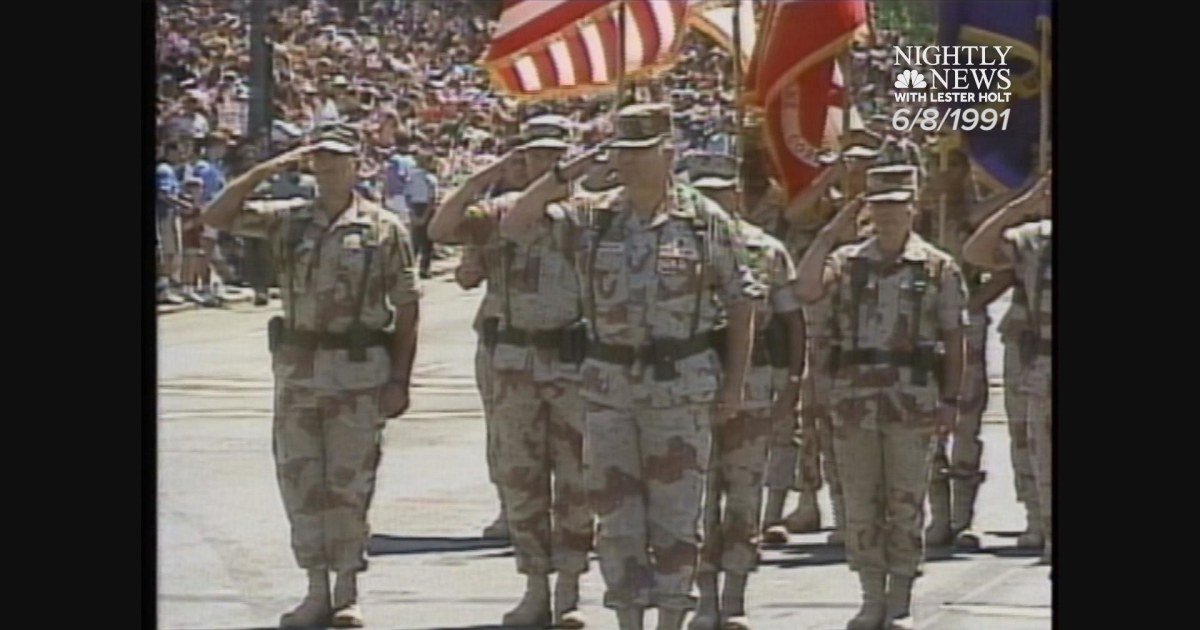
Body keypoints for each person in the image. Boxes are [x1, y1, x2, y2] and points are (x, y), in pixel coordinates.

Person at [502, 103, 761, 630]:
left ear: (669, 153)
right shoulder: (592, 217)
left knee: (676, 516)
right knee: (616, 515)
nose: (633, 164)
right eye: (624, 153)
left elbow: (740, 301)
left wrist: (734, 384)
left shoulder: (704, 220)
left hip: (680, 387)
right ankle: (627, 621)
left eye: (644, 153)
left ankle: (670, 618)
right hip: (608, 390)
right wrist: (563, 174)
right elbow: (515, 224)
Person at [201, 123, 421, 628]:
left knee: (350, 482)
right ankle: (315, 589)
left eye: (337, 160)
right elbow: (218, 215)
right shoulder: (291, 221)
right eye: (319, 160)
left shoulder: (383, 228)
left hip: (359, 372)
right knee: (301, 483)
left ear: (355, 165)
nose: (326, 170)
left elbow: (407, 309)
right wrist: (270, 167)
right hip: (300, 373)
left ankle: (347, 589)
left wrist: (399, 380)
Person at [429, 116, 592, 628]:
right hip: (514, 362)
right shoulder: (499, 213)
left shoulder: (594, 215)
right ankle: (536, 586)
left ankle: (569, 589)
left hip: (574, 362)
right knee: (521, 477)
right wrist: (489, 173)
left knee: (576, 480)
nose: (543, 162)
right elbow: (440, 230)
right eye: (533, 154)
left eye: (553, 153)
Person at [795, 165, 968, 630]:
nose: (889, 215)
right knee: (860, 502)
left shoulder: (936, 267)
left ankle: (900, 601)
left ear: (914, 208)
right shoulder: (848, 262)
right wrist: (834, 228)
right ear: (868, 210)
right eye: (880, 206)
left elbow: (954, 339)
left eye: (897, 205)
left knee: (907, 502)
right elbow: (806, 286)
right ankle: (871, 596)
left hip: (913, 400)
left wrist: (951, 400)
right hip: (854, 401)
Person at [687, 154, 806, 630]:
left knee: (742, 496)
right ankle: (702, 598)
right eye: (705, 192)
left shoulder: (767, 250)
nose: (714, 201)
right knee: (694, 498)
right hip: (690, 384)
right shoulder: (675, 245)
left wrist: (794, 380)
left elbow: (791, 320)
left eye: (722, 192)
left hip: (754, 387)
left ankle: (734, 596)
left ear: (737, 196)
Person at [961, 171, 1052, 565]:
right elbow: (976, 252)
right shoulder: (1037, 239)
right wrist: (1022, 205)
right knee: (1040, 450)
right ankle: (1046, 526)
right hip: (1044, 361)